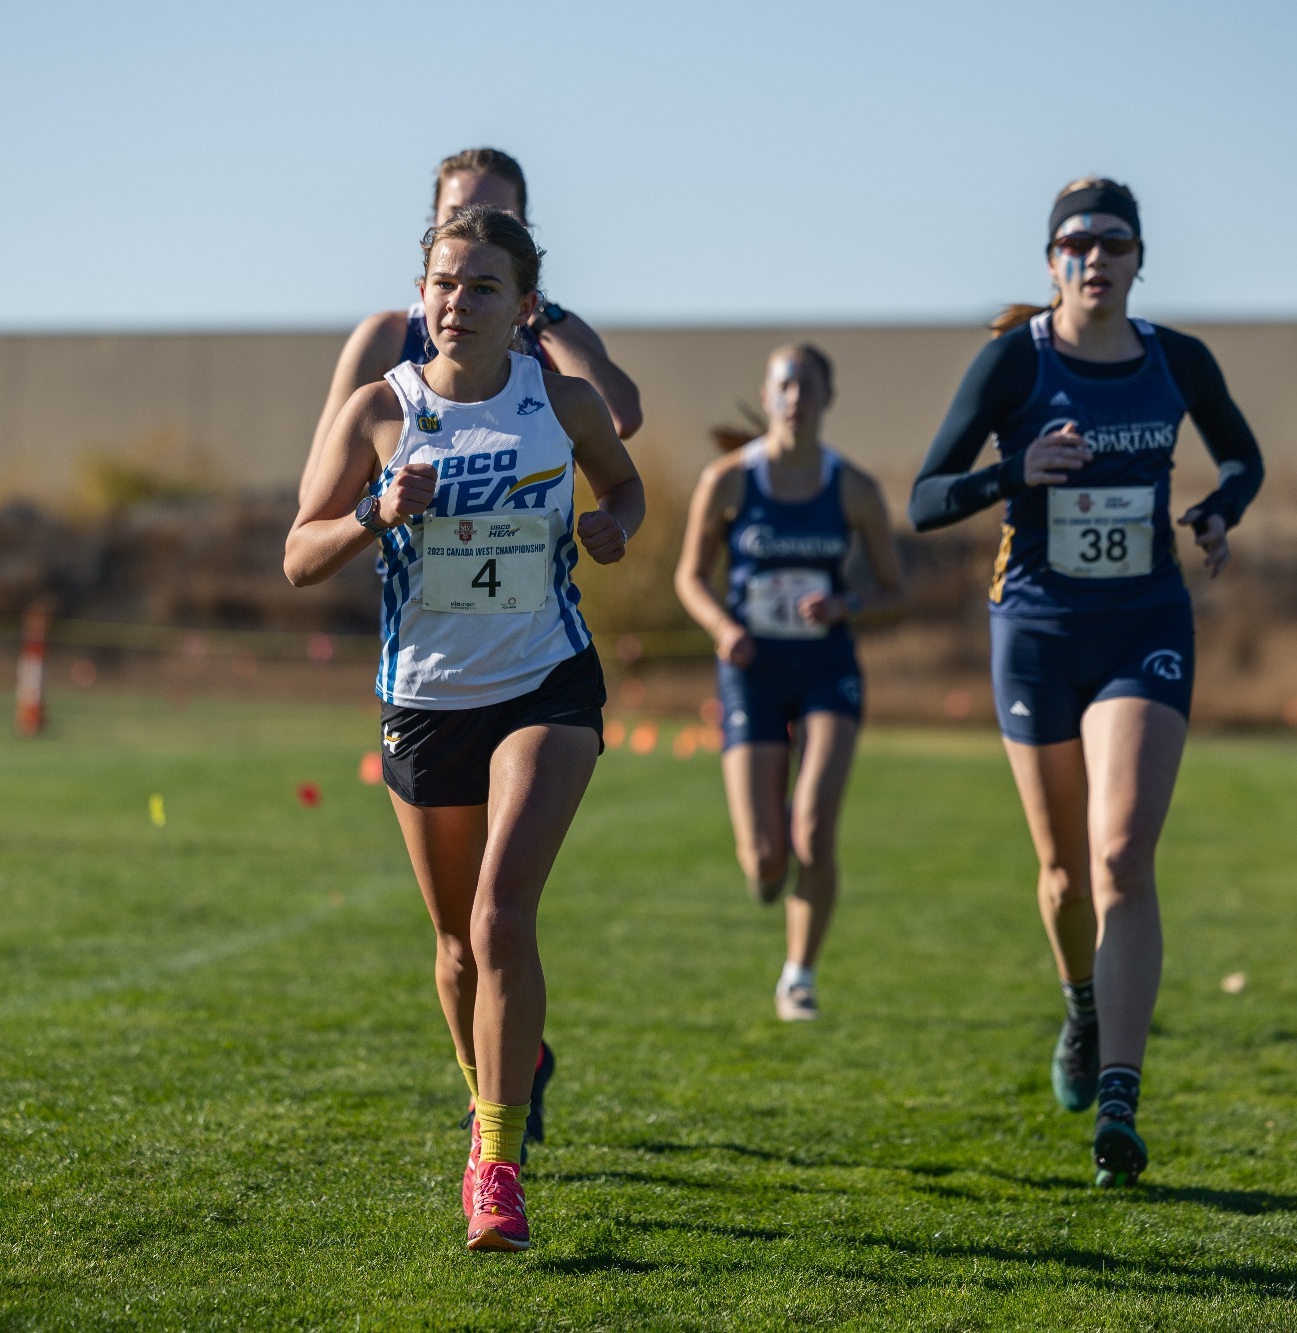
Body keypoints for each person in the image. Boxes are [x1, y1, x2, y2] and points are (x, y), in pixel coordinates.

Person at [284, 204, 644, 1250]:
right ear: (420, 296)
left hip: (545, 685)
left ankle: (494, 1158)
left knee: (497, 916)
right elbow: (299, 555)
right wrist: (374, 513)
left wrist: (613, 523)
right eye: (444, 282)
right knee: (453, 949)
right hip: (426, 701)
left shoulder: (560, 399)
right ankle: (504, 1066)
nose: (458, 302)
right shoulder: (377, 412)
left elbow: (620, 480)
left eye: (483, 286)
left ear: (523, 306)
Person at [908, 178, 1264, 1187]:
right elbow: (926, 497)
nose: (1094, 258)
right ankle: (1077, 1005)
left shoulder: (1174, 358)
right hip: (1034, 630)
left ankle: (1118, 1094)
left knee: (1119, 857)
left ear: (1138, 258)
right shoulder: (1011, 363)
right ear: (1050, 262)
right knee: (1062, 871)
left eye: (1113, 242)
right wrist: (1016, 467)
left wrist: (1215, 508)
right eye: (1075, 243)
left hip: (1141, 625)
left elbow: (1242, 457)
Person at [675, 345, 906, 1022]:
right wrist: (722, 626)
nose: (796, 396)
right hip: (750, 671)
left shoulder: (855, 488)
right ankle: (769, 873)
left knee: (813, 829)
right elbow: (689, 576)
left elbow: (896, 591)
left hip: (827, 669)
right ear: (767, 394)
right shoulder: (727, 481)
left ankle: (799, 974)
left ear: (828, 397)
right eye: (785, 385)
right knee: (767, 858)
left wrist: (848, 606)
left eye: (808, 385)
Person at [300, 148, 642, 512]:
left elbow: (619, 420)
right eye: (458, 213)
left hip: (535, 564)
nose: (477, 223)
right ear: (434, 221)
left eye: (496, 215)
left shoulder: (555, 327)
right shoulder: (388, 335)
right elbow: (318, 495)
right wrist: (384, 508)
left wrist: (539, 316)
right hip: (412, 566)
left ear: (524, 226)